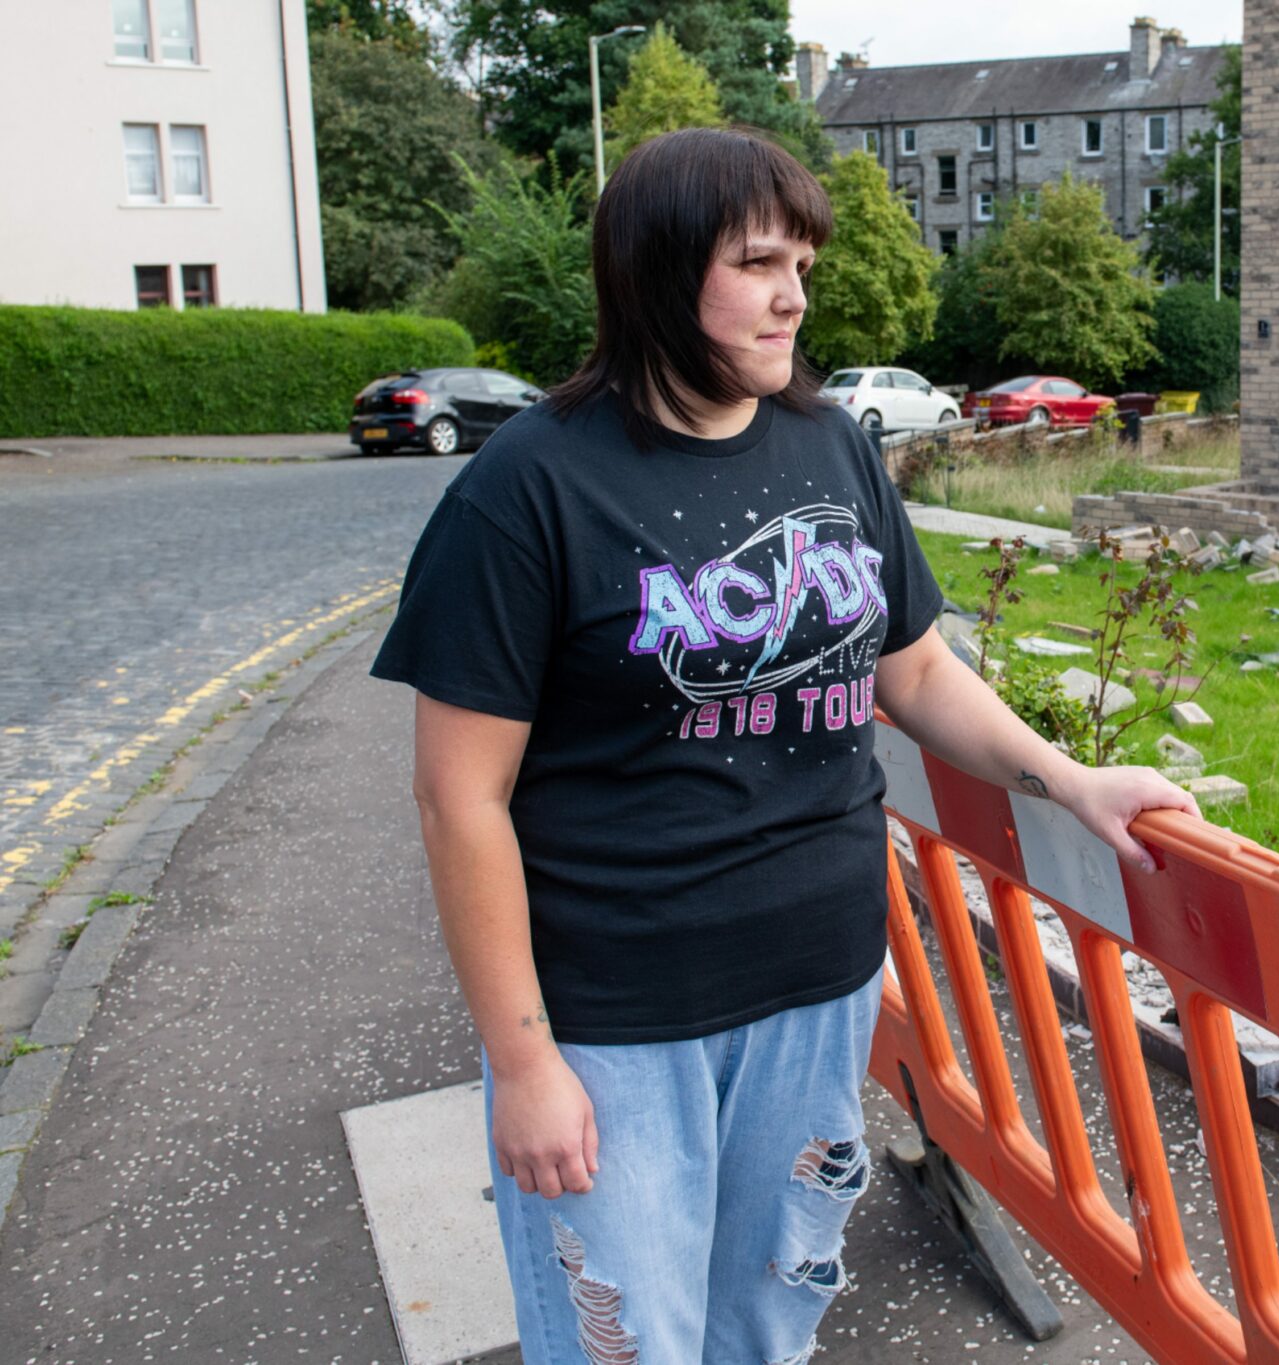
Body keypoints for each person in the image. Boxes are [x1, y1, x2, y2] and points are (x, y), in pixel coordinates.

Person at [370, 127, 1197, 1365]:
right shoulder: (528, 487)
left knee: (768, 1325)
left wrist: (1071, 782)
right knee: (624, 1344)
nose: (794, 293)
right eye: (759, 261)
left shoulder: (832, 448)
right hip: (616, 1019)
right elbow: (458, 799)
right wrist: (522, 1062)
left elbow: (912, 672)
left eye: (801, 261)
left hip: (817, 986)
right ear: (656, 272)